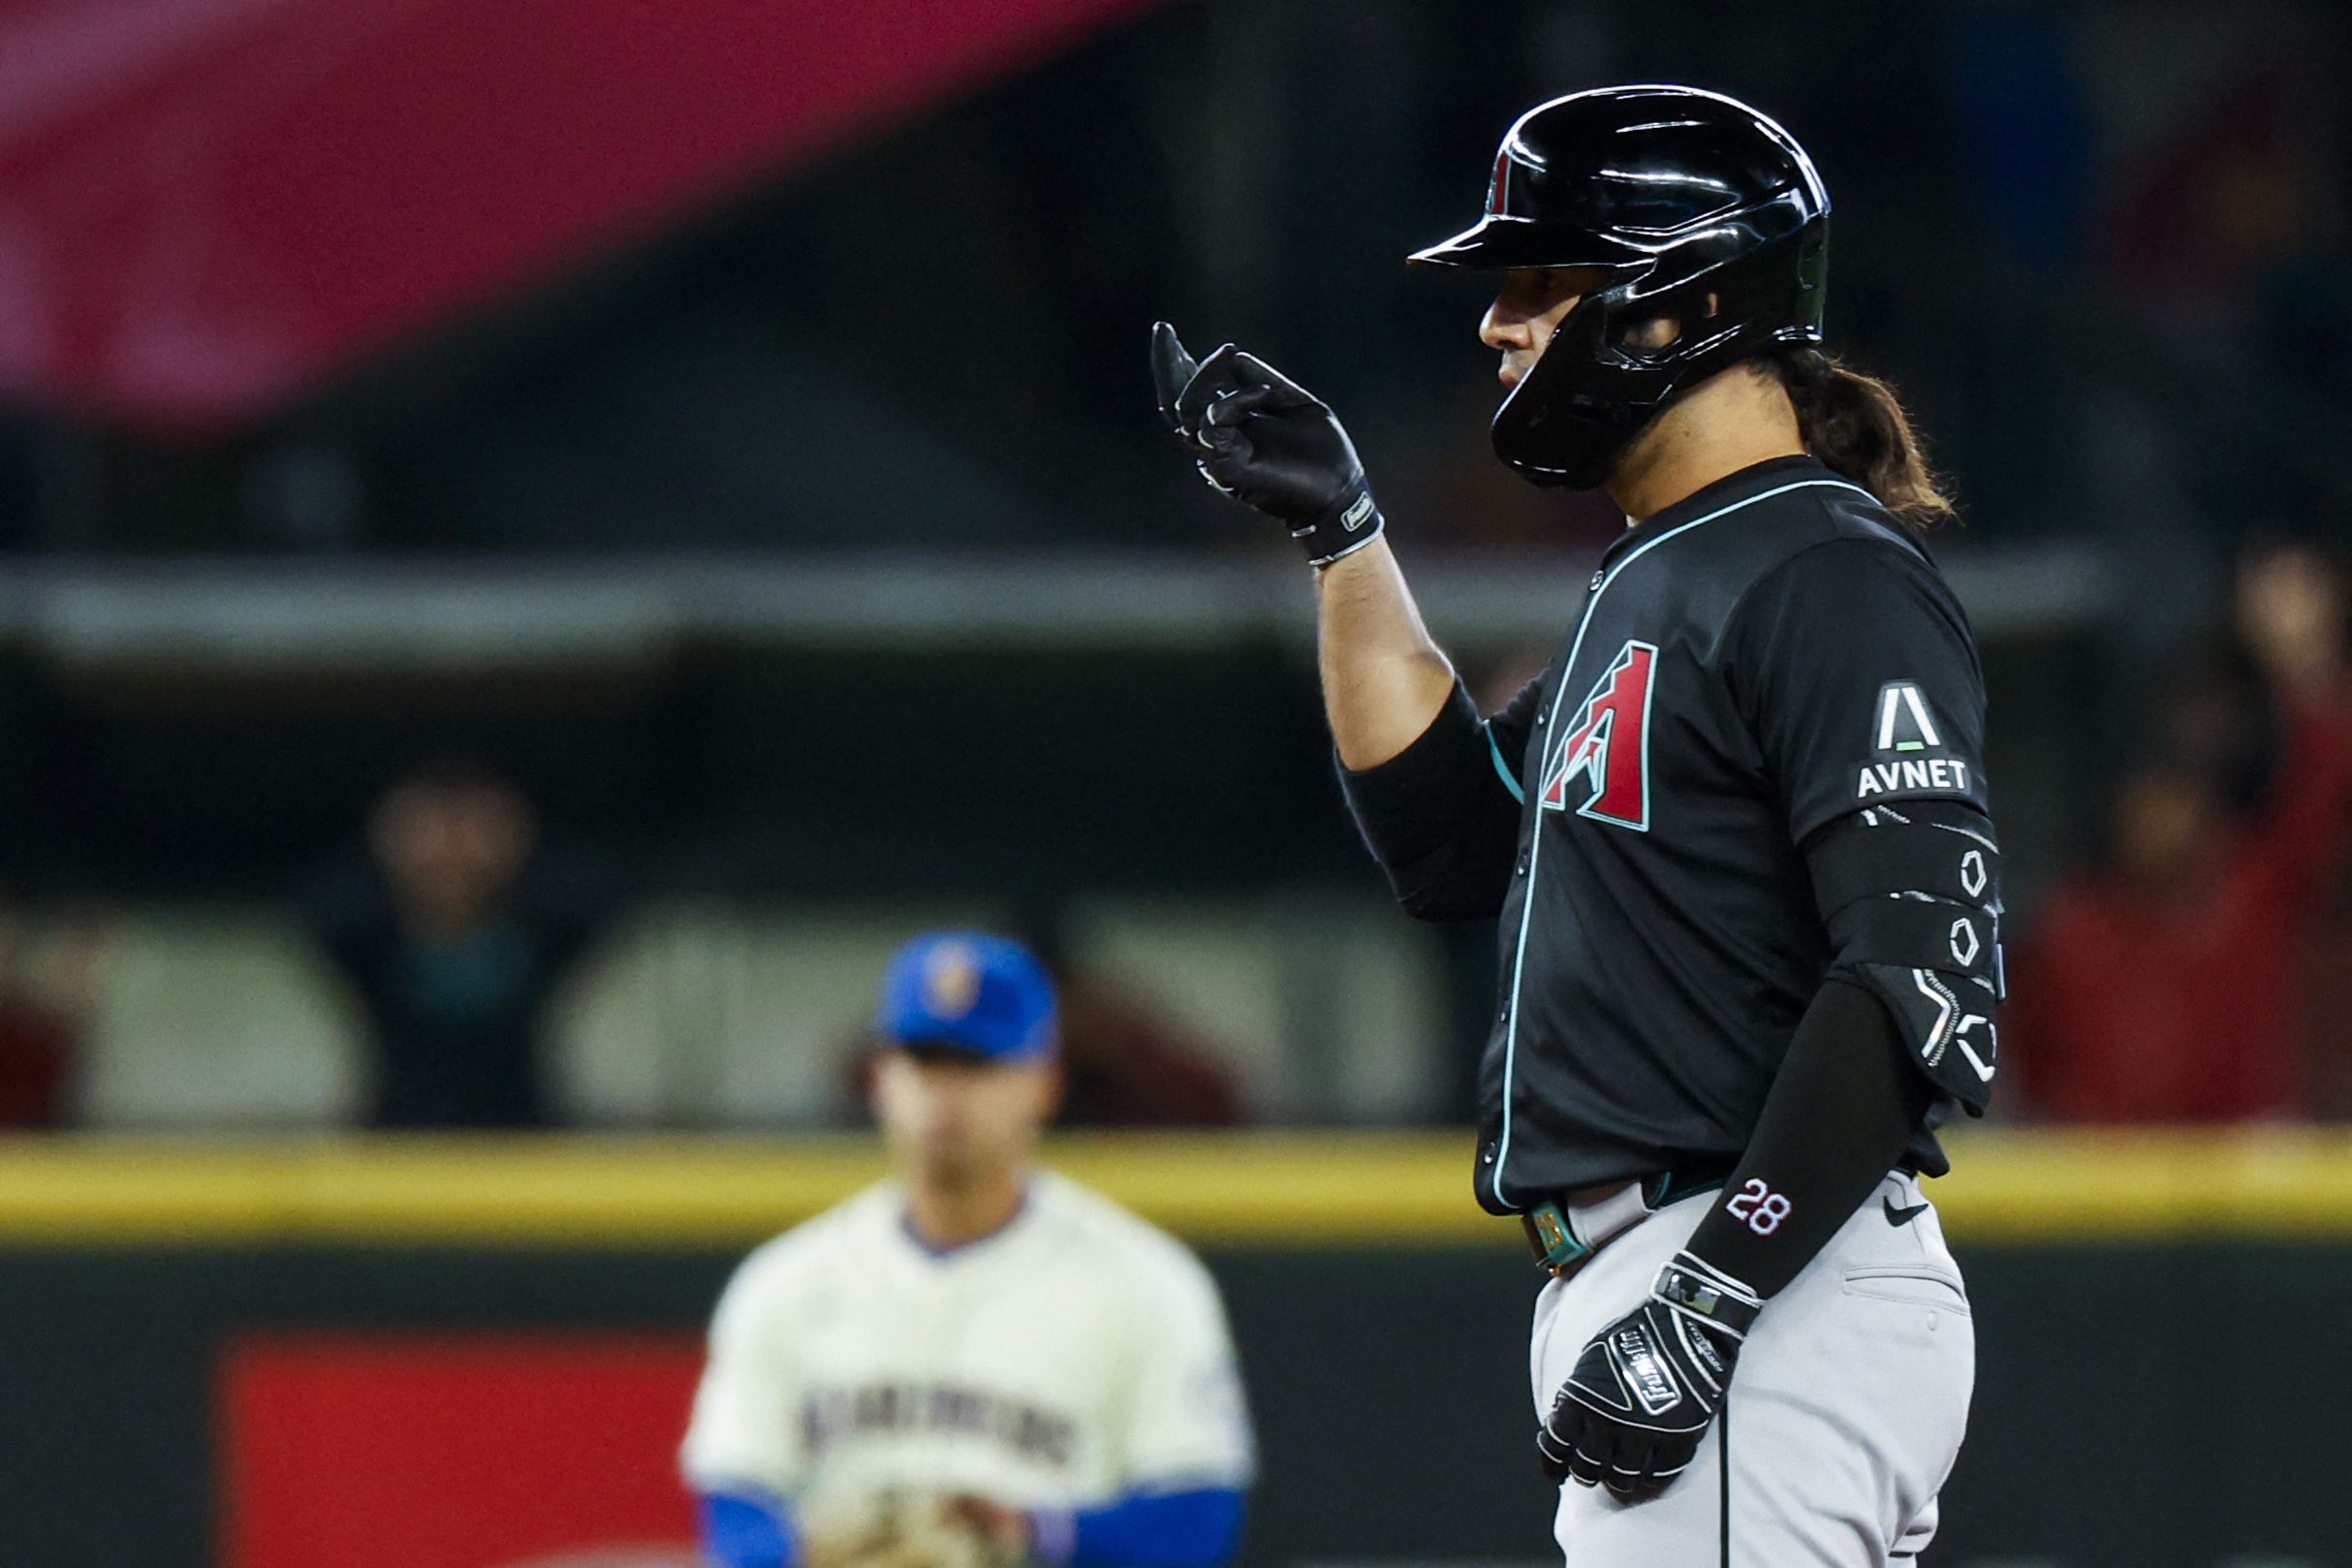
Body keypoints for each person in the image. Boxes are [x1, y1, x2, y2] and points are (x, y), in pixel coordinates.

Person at [1152, 86, 1993, 1566]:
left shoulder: (1818, 568)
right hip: (1705, 1280)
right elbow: (1450, 844)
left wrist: (1711, 1295)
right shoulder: (1667, 570)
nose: (1497, 325)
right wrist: (1343, 536)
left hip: (1751, 1270)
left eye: (1541, 279)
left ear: (1686, 300)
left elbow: (1915, 975)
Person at [682, 931, 1254, 1568]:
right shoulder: (784, 1281)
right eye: (923, 1061)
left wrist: (1036, 1532)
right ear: (880, 1078)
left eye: (975, 1064)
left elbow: (1198, 1516)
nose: (945, 1092)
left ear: (1044, 1085)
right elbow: (733, 1497)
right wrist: (797, 1554)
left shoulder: (1146, 1280)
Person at [2008, 545, 2352, 1120]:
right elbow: (2024, 1068)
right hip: (2100, 1169)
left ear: (2206, 807)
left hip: (2250, 1165)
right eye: (2143, 800)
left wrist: (2304, 668)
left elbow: (2323, 779)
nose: (2158, 819)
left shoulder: (2259, 896)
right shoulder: (2071, 927)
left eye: (2175, 799)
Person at [307, 761, 596, 1127]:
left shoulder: (559, 928)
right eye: (425, 829)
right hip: (393, 1142)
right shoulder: (350, 936)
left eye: (478, 829)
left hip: (526, 1142)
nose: (451, 850)